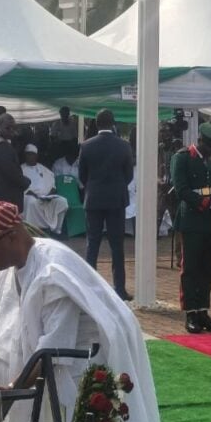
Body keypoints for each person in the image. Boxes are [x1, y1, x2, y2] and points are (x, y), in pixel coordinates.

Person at [0, 201, 161, 422]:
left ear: (12, 236)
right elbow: (3, 333)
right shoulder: (8, 275)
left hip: (83, 369)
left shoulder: (53, 272)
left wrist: (10, 391)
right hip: (49, 371)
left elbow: (52, 351)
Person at [171, 124, 211, 333]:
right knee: (190, 269)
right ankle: (191, 312)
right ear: (201, 140)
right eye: (210, 146)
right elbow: (181, 190)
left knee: (207, 268)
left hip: (210, 223)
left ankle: (203, 311)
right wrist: (207, 203)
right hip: (191, 220)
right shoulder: (183, 158)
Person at [78, 109, 134, 300]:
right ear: (113, 123)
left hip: (93, 199)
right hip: (116, 199)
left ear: (96, 123)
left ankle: (90, 287)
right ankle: (120, 289)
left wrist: (94, 187)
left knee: (92, 243)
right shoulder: (124, 146)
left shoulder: (86, 146)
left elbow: (82, 176)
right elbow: (129, 175)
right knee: (117, 245)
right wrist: (117, 186)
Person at [0, 112, 30, 210]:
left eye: (14, 127)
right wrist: (25, 182)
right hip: (3, 196)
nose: (11, 130)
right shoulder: (1, 144)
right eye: (8, 128)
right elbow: (10, 171)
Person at [20, 143, 69, 234]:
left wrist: (49, 195)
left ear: (36, 156)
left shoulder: (43, 168)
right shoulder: (21, 169)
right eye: (28, 154)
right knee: (32, 202)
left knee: (62, 201)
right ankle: (34, 230)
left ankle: (56, 229)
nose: (29, 157)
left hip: (46, 197)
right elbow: (21, 186)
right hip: (30, 196)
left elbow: (53, 185)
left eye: (32, 154)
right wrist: (34, 194)